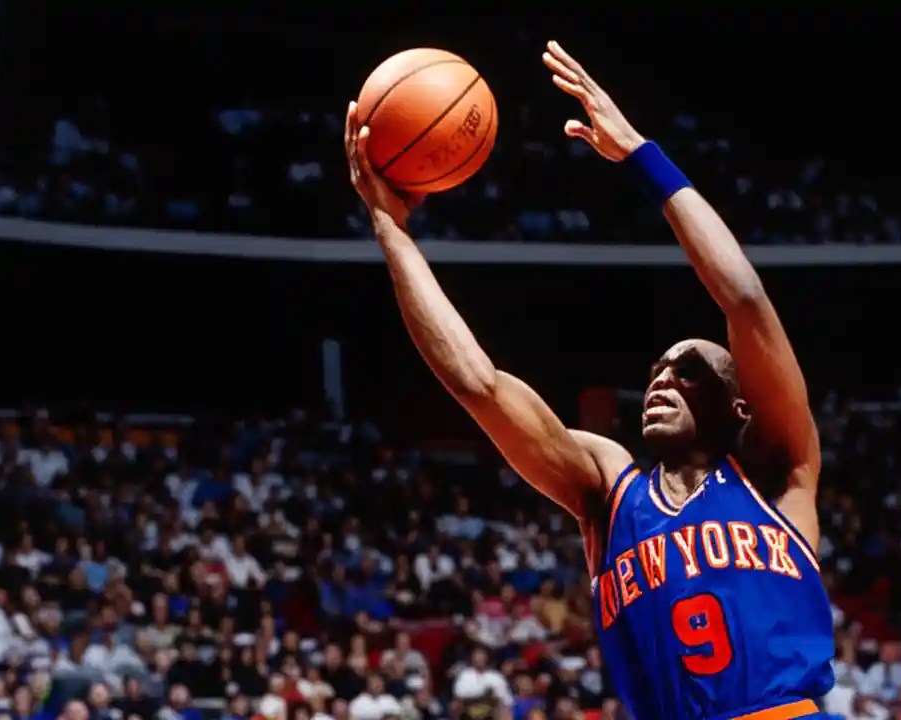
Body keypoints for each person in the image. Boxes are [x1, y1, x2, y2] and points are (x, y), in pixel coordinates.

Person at [343, 39, 835, 720]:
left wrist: (639, 154)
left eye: (690, 371)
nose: (662, 380)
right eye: (657, 371)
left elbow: (744, 300)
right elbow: (478, 385)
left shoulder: (780, 475)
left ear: (742, 405)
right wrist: (390, 230)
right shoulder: (609, 489)